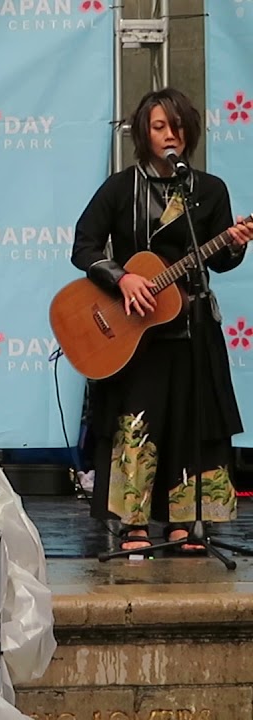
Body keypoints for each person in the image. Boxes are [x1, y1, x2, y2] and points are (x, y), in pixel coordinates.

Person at [71, 88, 253, 554]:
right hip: (136, 333)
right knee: (136, 423)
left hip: (192, 326)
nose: (169, 135)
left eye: (176, 126)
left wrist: (235, 242)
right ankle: (132, 523)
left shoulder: (209, 190)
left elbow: (223, 263)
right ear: (142, 133)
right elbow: (84, 246)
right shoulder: (119, 187)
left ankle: (186, 520)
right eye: (158, 127)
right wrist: (124, 277)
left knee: (193, 420)